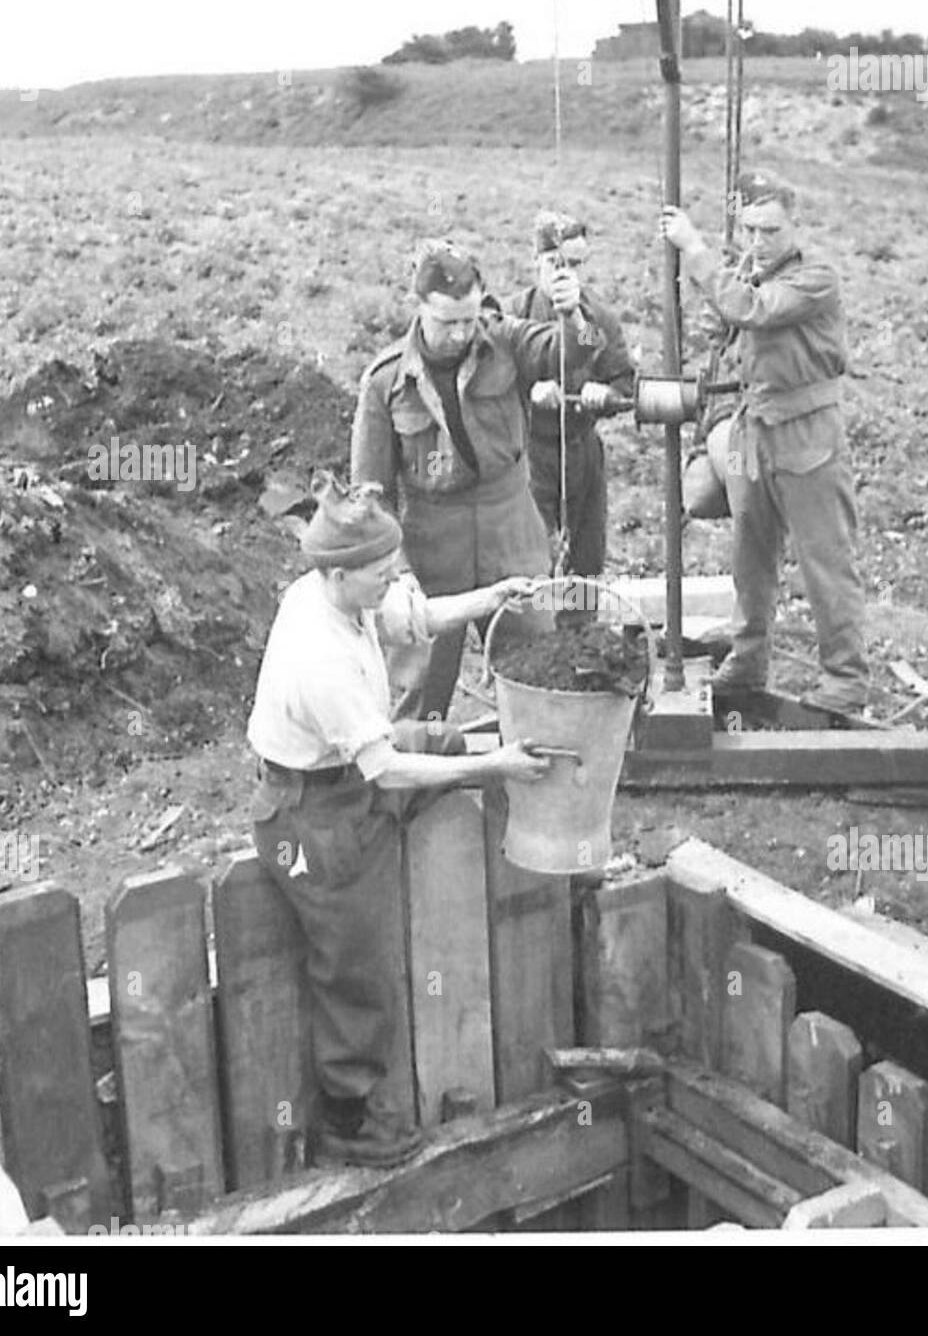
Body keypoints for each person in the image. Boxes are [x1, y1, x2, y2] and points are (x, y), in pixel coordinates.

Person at [247, 472, 550, 1165]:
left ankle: (485, 758)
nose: (392, 583)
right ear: (341, 573)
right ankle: (351, 1124)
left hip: (345, 773)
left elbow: (407, 618)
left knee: (438, 738)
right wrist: (491, 768)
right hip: (314, 815)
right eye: (381, 575)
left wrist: (492, 596)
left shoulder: (336, 594)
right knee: (357, 969)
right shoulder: (319, 658)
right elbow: (383, 772)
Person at [351, 238, 598, 720]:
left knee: (534, 677)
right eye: (447, 322)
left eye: (469, 319)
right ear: (418, 306)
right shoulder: (385, 381)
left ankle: (526, 790)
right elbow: (370, 493)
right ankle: (413, 788)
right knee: (418, 691)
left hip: (512, 535)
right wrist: (396, 574)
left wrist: (575, 317)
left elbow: (575, 356)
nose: (462, 333)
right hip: (432, 546)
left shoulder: (505, 341)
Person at [659, 169, 869, 716]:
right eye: (750, 229)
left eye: (771, 230)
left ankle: (845, 681)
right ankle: (748, 661)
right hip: (755, 430)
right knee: (750, 559)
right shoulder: (748, 271)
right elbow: (725, 330)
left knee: (825, 560)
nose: (759, 241)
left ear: (796, 227)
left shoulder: (816, 276)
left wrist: (696, 251)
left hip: (808, 435)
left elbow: (755, 311)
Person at [506, 211, 636, 587]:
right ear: (537, 264)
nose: (567, 276)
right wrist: (526, 394)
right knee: (534, 555)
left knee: (587, 558)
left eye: (576, 265)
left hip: (581, 451)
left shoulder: (599, 319)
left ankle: (581, 635)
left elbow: (625, 383)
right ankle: (538, 636)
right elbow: (486, 385)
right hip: (529, 454)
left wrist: (606, 394)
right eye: (557, 264)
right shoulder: (511, 315)